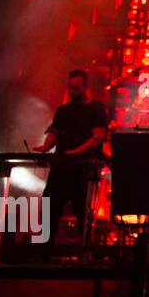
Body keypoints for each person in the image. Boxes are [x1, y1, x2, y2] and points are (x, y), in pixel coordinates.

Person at [31, 70, 109, 240]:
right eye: (70, 88)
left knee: (83, 212)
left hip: (83, 170)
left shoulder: (96, 109)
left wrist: (76, 152)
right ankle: (45, 250)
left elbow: (98, 137)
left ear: (85, 87)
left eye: (76, 88)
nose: (73, 92)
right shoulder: (63, 110)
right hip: (61, 168)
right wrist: (46, 146)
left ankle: (86, 252)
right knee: (50, 208)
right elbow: (54, 133)